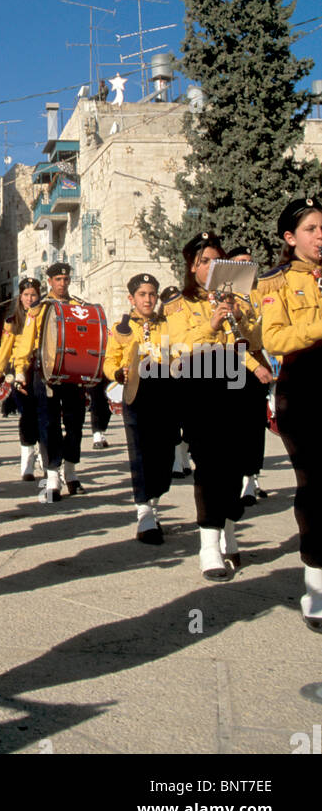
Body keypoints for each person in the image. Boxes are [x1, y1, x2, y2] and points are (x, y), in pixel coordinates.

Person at [165, 231, 270, 579]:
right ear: (192, 266)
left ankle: (228, 527)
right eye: (204, 261)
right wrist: (211, 325)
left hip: (235, 385)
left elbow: (250, 342)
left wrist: (240, 318)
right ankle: (208, 544)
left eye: (215, 260)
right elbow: (178, 346)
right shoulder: (179, 304)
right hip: (200, 387)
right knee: (210, 464)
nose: (210, 267)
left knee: (235, 462)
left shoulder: (232, 297)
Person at [259, 197, 322, 631]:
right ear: (290, 238)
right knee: (316, 488)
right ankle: (316, 581)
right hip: (306, 393)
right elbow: (277, 338)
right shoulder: (274, 284)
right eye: (312, 229)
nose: (321, 237)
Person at [103, 273, 175, 544]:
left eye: (152, 294)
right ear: (131, 299)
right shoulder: (121, 327)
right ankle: (144, 513)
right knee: (140, 451)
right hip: (136, 393)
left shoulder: (168, 324)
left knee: (165, 453)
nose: (148, 299)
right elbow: (109, 361)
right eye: (143, 295)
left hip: (165, 392)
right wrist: (117, 373)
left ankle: (154, 501)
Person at [35, 262, 92, 500]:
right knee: (49, 427)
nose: (62, 283)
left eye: (66, 279)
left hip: (74, 373)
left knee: (75, 424)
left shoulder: (79, 307)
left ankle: (71, 471)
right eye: (58, 279)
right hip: (47, 374)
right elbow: (30, 339)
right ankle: (52, 475)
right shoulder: (39, 308)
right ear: (49, 281)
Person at [226, 245, 273, 506]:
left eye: (249, 262)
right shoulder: (224, 297)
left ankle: (251, 478)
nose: (247, 266)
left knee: (256, 425)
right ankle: (237, 475)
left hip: (257, 362)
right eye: (240, 262)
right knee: (235, 425)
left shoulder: (260, 293)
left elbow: (259, 336)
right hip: (230, 366)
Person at [0, 277, 44, 482]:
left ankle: (45, 454)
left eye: (33, 294)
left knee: (45, 414)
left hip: (42, 367)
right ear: (20, 297)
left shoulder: (45, 315)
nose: (30, 298)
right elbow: (5, 348)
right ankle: (27, 461)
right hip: (20, 370)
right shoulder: (12, 320)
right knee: (27, 415)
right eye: (26, 295)